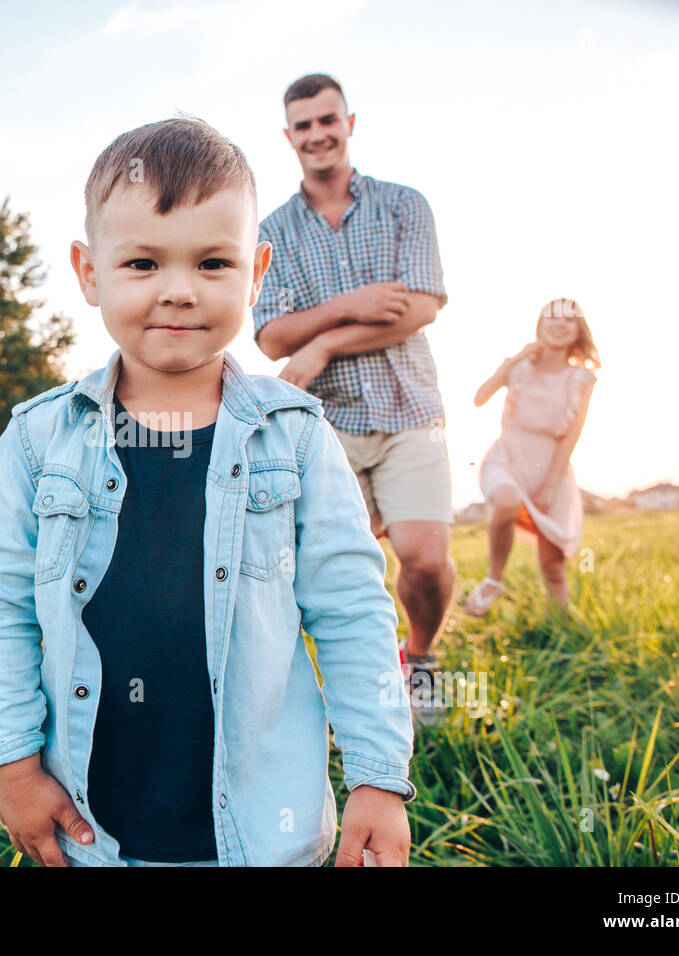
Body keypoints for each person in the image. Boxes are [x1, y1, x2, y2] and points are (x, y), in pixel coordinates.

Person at [0, 115, 416, 868]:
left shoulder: (297, 438)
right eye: (142, 263)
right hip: (93, 832)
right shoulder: (39, 442)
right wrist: (13, 766)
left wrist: (377, 778)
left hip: (267, 834)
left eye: (212, 263)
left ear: (257, 273)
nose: (178, 291)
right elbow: (0, 605)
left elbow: (354, 612)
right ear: (89, 272)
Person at [252, 73, 453, 721]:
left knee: (424, 561)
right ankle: (354, 697)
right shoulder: (272, 230)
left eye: (327, 120)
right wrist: (354, 305)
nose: (318, 134)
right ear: (289, 137)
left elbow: (419, 307)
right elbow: (271, 336)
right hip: (327, 424)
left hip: (410, 411)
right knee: (340, 573)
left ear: (349, 123)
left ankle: (419, 653)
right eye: (304, 125)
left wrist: (324, 346)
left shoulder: (404, 204)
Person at [466, 297, 600, 616]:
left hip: (551, 466)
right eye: (552, 317)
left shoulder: (581, 378)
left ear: (578, 331)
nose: (559, 324)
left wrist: (551, 486)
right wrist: (514, 360)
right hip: (508, 456)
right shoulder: (519, 366)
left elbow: (572, 434)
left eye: (569, 320)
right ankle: (494, 578)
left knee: (553, 564)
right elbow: (479, 398)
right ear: (539, 324)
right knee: (507, 499)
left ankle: (562, 622)